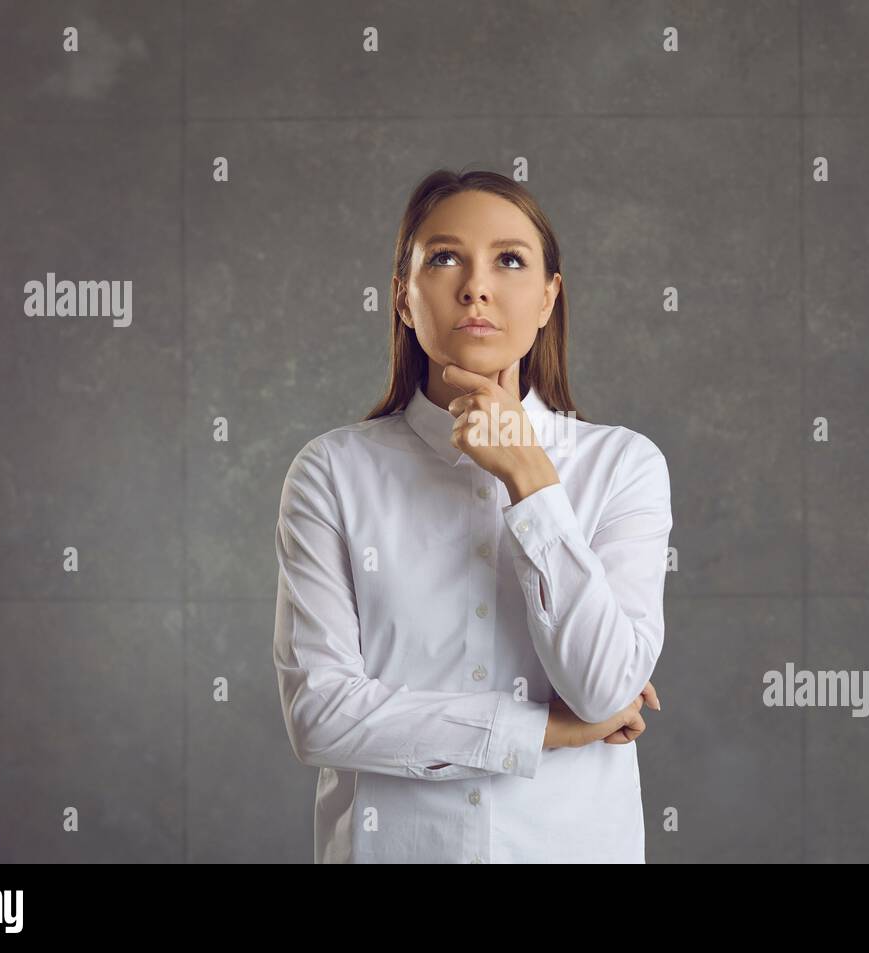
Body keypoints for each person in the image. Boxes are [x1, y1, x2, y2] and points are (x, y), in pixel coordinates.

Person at [272, 168, 673, 863]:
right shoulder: (332, 472)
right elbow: (320, 715)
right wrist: (544, 730)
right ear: (403, 294)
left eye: (510, 260)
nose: (476, 287)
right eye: (445, 257)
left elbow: (605, 686)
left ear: (549, 298)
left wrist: (530, 478)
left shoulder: (624, 466)